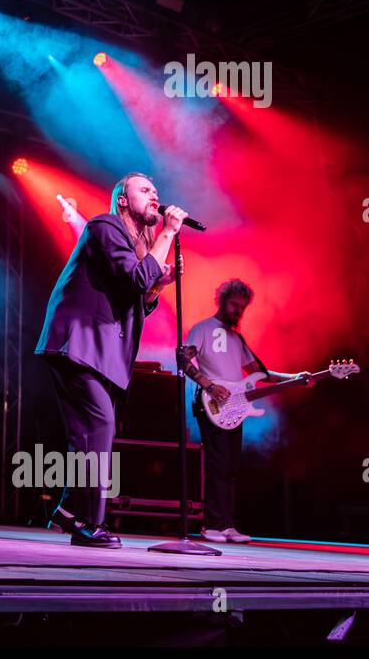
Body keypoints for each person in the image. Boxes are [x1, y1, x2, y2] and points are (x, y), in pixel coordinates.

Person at [35, 172, 186, 548]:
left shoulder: (134, 245)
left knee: (93, 432)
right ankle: (90, 523)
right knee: (97, 426)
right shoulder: (104, 226)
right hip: (79, 343)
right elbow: (133, 279)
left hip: (101, 352)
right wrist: (167, 234)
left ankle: (70, 510)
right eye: (145, 190)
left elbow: (135, 298)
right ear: (122, 199)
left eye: (156, 189)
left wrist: (158, 288)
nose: (155, 196)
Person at [178, 279, 314, 543]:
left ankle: (226, 524)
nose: (237, 311)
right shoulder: (203, 329)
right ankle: (212, 525)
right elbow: (183, 358)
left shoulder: (236, 338)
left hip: (235, 406)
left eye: (242, 307)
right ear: (221, 300)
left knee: (230, 466)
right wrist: (209, 384)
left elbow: (258, 373)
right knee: (217, 464)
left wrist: (295, 376)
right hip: (211, 403)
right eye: (233, 304)